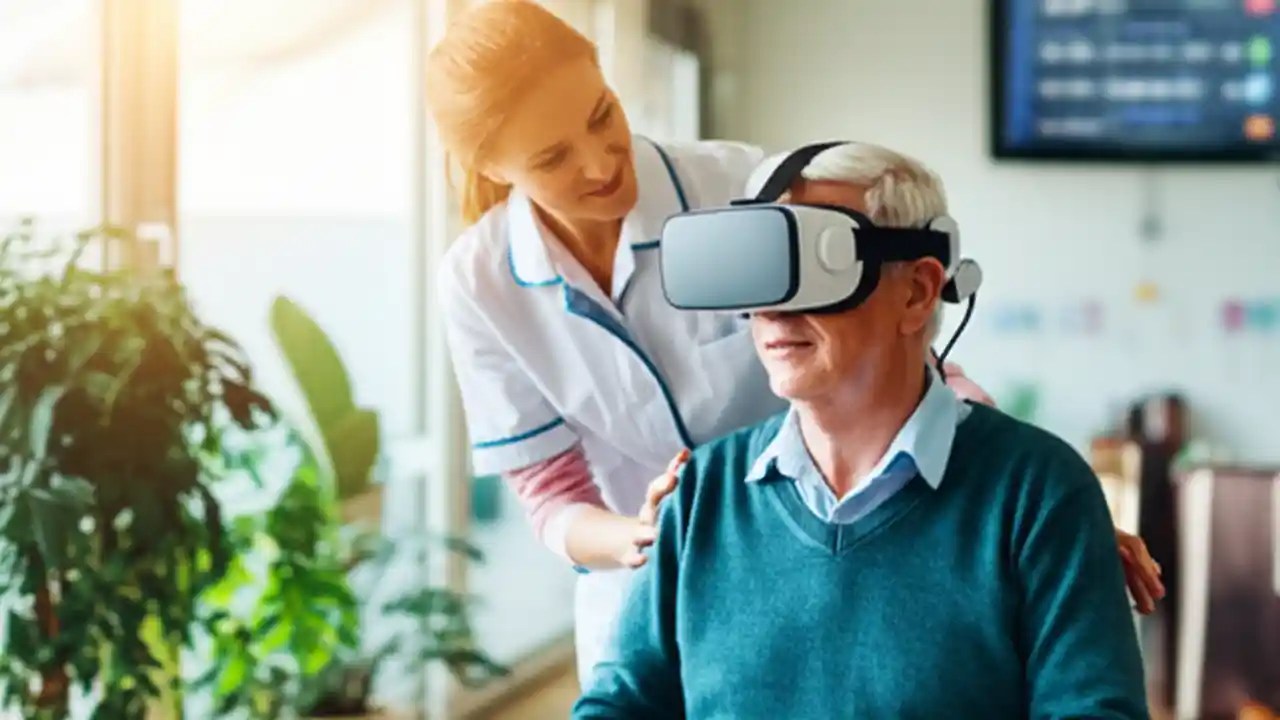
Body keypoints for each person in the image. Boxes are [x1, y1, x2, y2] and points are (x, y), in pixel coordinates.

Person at [424, 0, 1163, 680]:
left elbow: (911, 356)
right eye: (552, 158)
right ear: (492, 169)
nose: (599, 160)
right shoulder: (480, 283)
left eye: (602, 113)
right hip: (649, 587)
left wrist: (1035, 507)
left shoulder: (746, 188)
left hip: (845, 553)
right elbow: (551, 493)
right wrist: (648, 538)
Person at [573, 142, 1150, 719]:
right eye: (759, 269)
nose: (772, 308)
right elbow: (618, 707)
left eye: (811, 268)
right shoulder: (702, 494)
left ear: (918, 291)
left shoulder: (1039, 495)